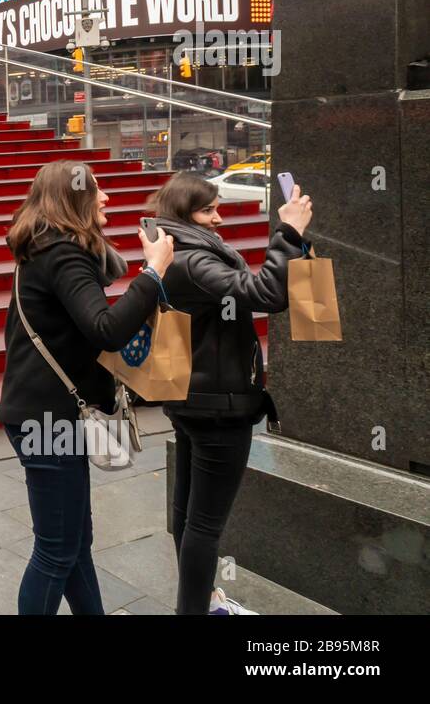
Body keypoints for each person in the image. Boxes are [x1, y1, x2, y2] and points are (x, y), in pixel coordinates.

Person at [0, 159, 174, 614]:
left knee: (74, 543)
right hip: (48, 420)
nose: (106, 198)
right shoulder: (61, 254)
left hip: (46, 414)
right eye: (97, 191)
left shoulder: (47, 249)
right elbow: (106, 329)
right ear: (73, 198)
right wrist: (152, 274)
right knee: (56, 550)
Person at [148, 172, 312, 615]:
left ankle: (201, 601)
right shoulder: (194, 262)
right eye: (208, 209)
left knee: (188, 513)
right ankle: (197, 610)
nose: (218, 217)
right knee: (204, 523)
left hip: (194, 400)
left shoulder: (181, 253)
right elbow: (268, 293)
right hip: (218, 407)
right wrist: (289, 231)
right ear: (185, 213)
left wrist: (296, 244)